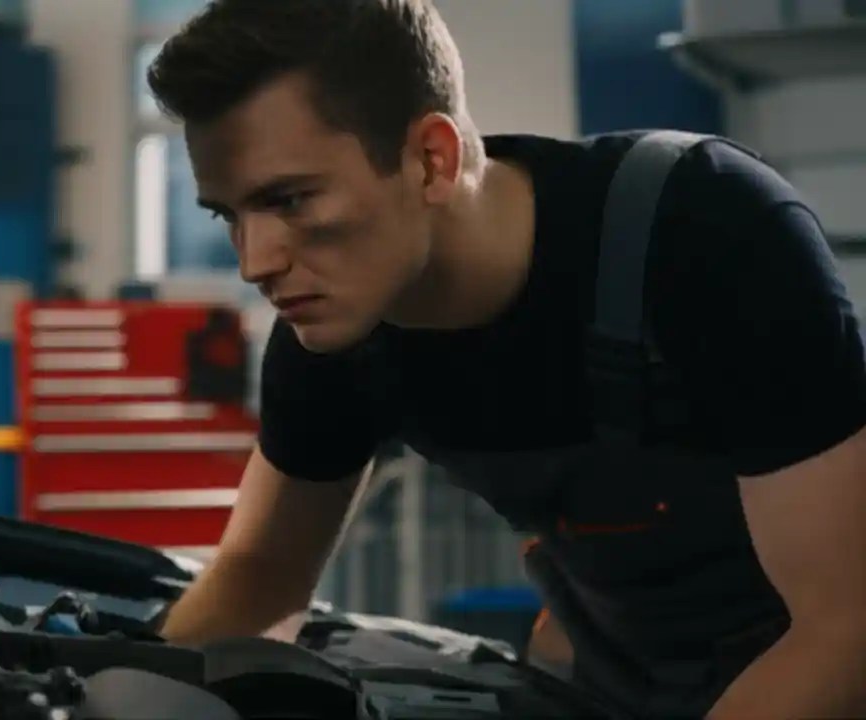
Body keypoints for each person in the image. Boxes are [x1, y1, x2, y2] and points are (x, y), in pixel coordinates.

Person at [142, 1, 866, 718]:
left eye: (291, 199)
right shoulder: (335, 328)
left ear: (432, 160)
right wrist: (131, 693)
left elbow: (845, 627)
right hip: (616, 685)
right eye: (228, 214)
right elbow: (261, 577)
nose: (255, 262)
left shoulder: (705, 232)